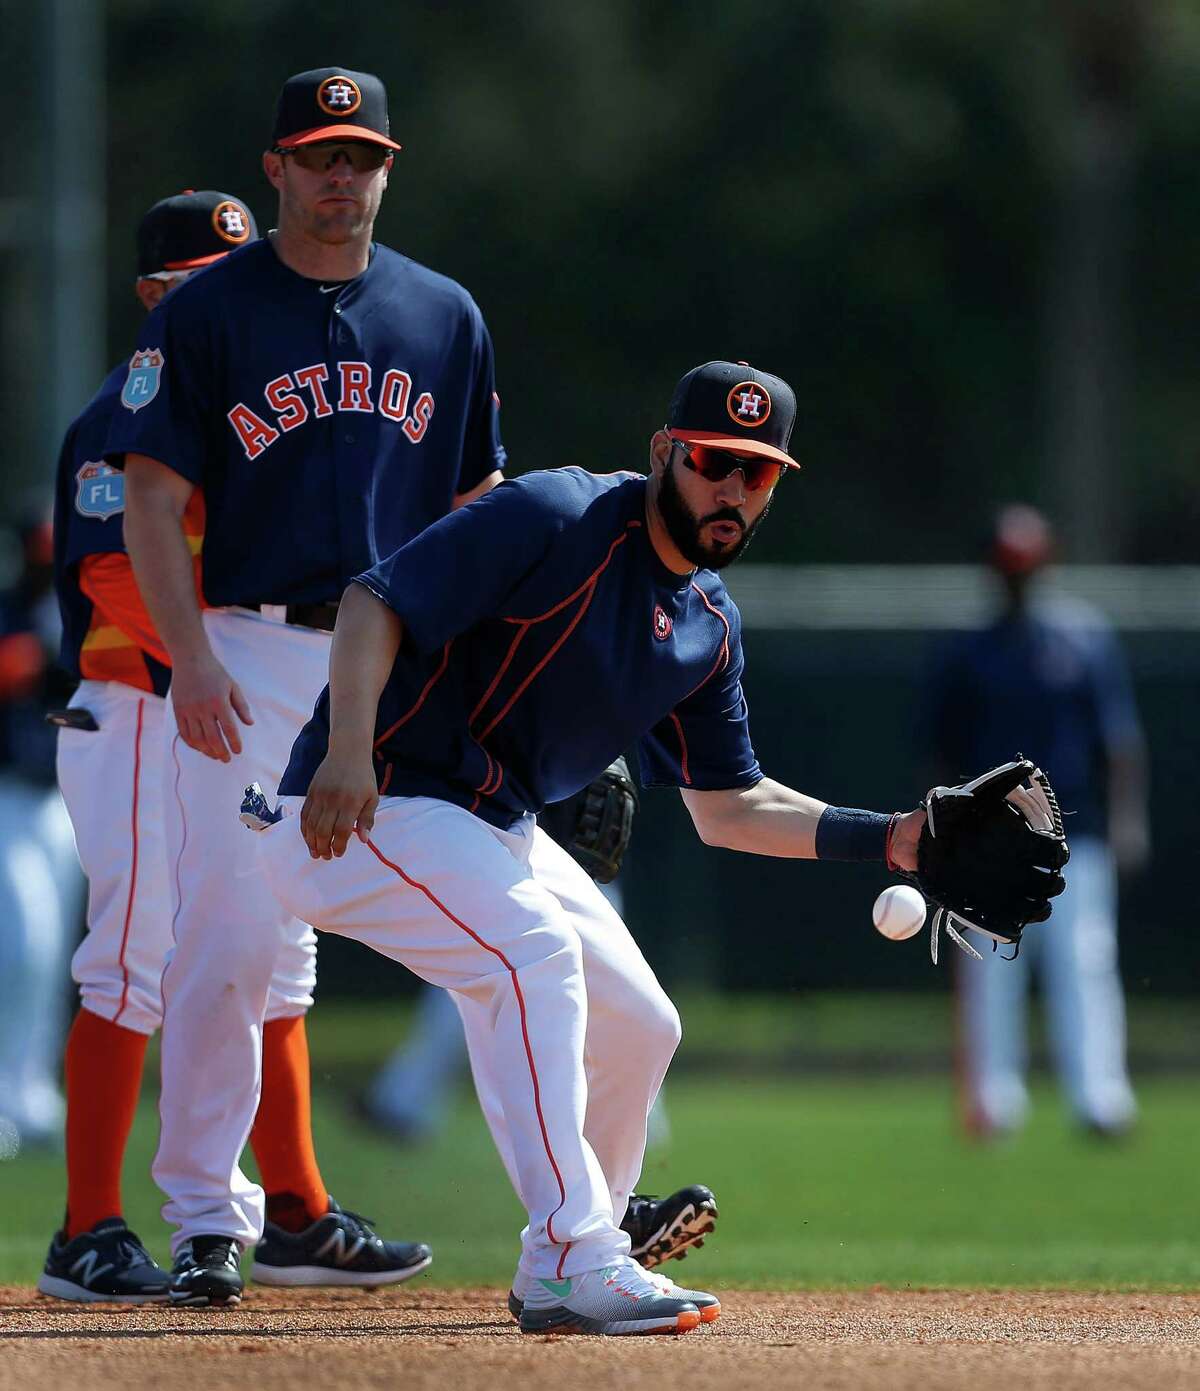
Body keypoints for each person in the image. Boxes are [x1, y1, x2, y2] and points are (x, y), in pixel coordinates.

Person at [255, 360, 935, 1337]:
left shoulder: (706, 622)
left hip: (489, 825)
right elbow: (375, 598)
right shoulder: (556, 515)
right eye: (712, 461)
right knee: (534, 952)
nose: (731, 489)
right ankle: (576, 1252)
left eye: (756, 472)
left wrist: (894, 839)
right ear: (665, 452)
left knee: (641, 1024)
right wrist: (348, 749)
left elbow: (732, 806)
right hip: (367, 807)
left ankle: (582, 1245)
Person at [106, 68, 505, 1307]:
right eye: (322, 154)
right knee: (229, 934)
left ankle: (575, 1213)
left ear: (389, 168)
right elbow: (152, 502)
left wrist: (485, 674)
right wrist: (191, 655)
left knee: (488, 928)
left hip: (402, 662)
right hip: (253, 650)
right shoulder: (209, 311)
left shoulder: (442, 314)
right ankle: (206, 1217)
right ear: (275, 166)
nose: (344, 176)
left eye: (363, 155)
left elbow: (480, 507)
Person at [43, 188, 430, 1304]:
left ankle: (297, 1212)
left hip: (232, 703)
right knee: (132, 957)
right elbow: (112, 571)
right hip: (138, 707)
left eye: (233, 276)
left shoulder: (246, 400)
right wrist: (217, 649)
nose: (220, 298)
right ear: (150, 296)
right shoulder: (127, 405)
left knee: (273, 952)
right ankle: (85, 1229)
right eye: (193, 283)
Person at [922, 504, 1147, 1139]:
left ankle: (1100, 1101)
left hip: (1077, 835)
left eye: (1024, 565)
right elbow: (939, 755)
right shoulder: (966, 652)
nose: (1016, 577)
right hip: (988, 842)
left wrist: (1128, 822)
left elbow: (1118, 744)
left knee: (1084, 964)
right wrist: (938, 834)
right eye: (1007, 565)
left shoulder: (1085, 640)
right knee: (993, 968)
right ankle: (993, 1104)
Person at [0, 516, 84, 1158]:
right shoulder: (12, 612)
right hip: (8, 799)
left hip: (61, 803)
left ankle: (33, 1097)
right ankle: (7, 1095)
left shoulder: (79, 615)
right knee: (22, 949)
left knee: (56, 957)